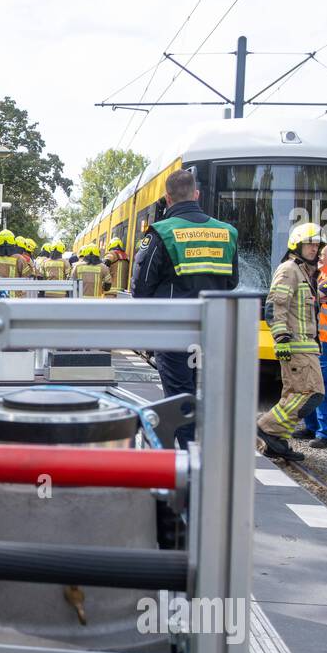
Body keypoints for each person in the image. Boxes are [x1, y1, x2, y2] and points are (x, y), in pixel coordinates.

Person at [130, 168, 237, 446]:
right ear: (197, 194)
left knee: (178, 396)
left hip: (173, 330)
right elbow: (232, 282)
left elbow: (140, 287)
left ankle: (187, 461)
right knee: (207, 392)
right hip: (212, 329)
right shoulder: (227, 233)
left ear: (167, 198)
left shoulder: (161, 232)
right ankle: (209, 455)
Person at [256, 223, 327, 462]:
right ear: (297, 244)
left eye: (316, 245)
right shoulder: (289, 270)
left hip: (306, 347)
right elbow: (275, 305)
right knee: (311, 393)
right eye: (309, 244)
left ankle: (276, 442)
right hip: (295, 346)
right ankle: (266, 428)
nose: (313, 248)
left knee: (293, 395)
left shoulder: (305, 272)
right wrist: (282, 338)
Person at [292, 242, 327, 448]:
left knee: (324, 388)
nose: (319, 257)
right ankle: (312, 427)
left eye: (323, 255)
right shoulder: (323, 277)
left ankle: (326, 435)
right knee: (310, 384)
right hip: (318, 341)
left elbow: (309, 296)